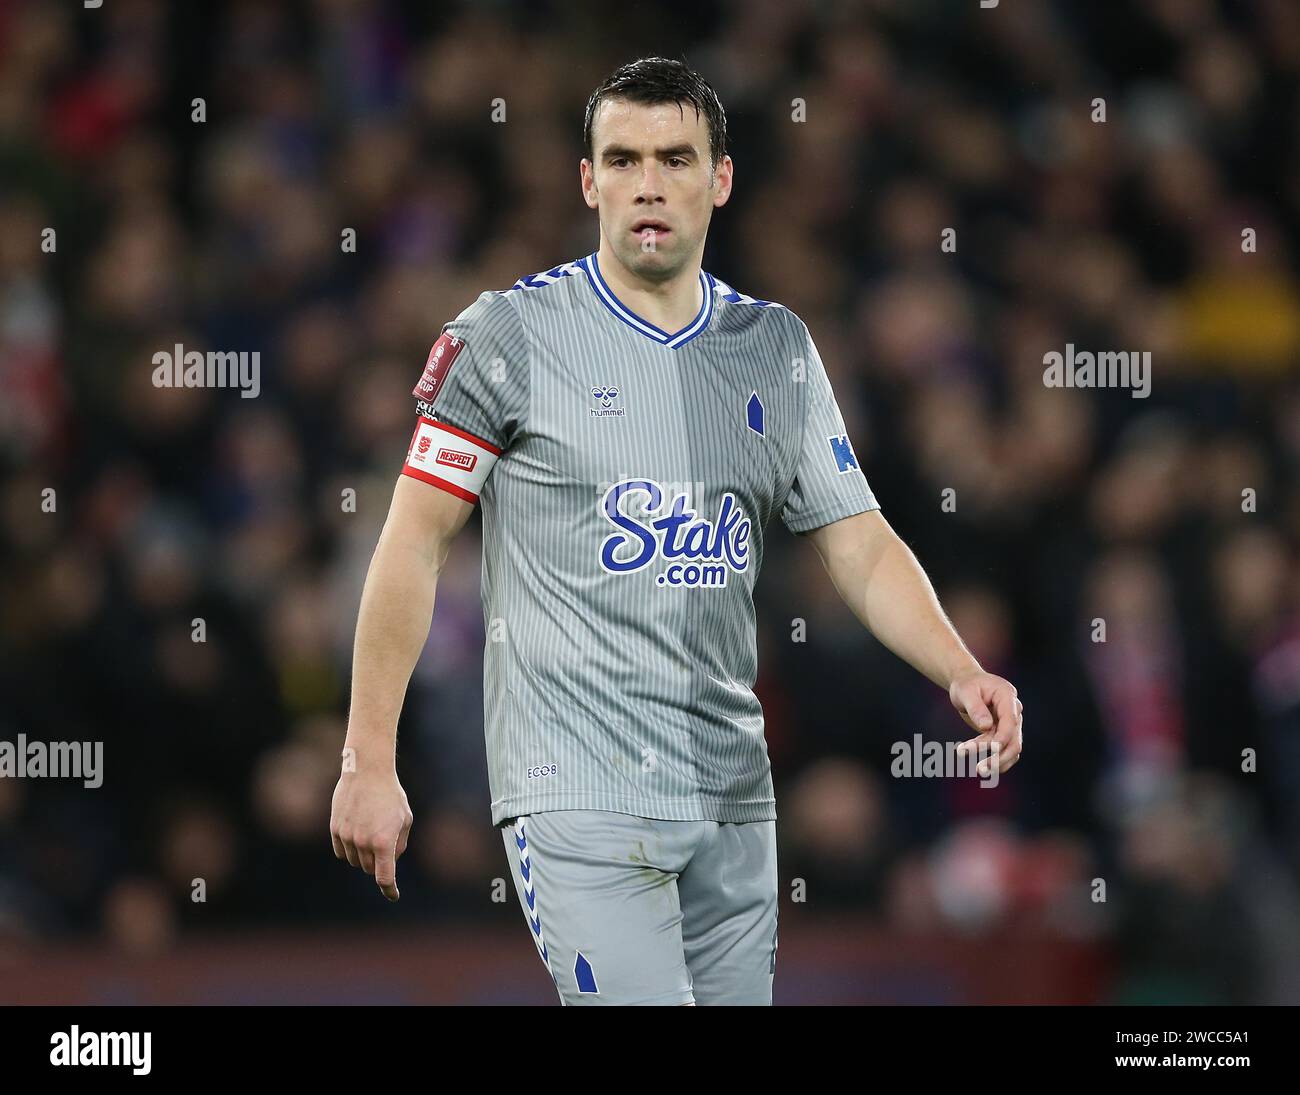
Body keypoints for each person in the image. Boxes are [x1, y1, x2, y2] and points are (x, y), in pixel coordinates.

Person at [329, 56, 1023, 1006]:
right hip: (574, 788)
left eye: (674, 157)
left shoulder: (775, 349)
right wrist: (369, 758)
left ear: (720, 178)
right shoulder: (508, 337)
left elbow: (857, 541)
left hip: (734, 795)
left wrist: (959, 667)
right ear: (588, 181)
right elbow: (413, 541)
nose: (647, 182)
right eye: (621, 159)